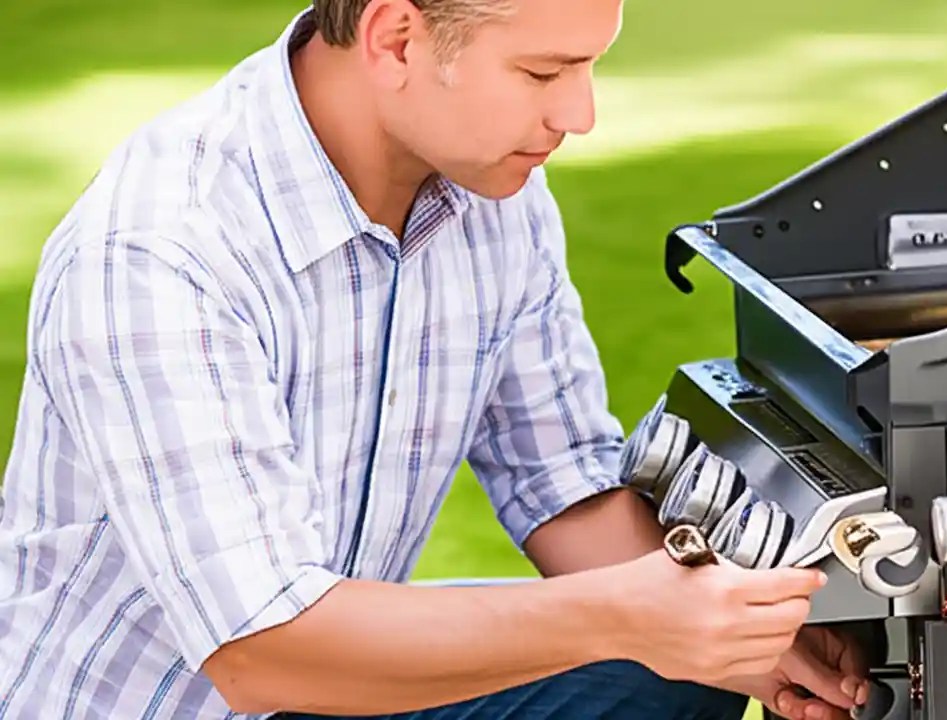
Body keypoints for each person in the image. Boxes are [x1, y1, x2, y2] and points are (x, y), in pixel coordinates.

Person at [0, 0, 872, 718]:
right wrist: (629, 614)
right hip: (186, 697)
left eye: (589, 66)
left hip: (317, 686)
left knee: (672, 674)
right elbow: (260, 648)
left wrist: (745, 643)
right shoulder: (164, 249)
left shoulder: (496, 197)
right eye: (543, 73)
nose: (580, 116)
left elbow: (561, 482)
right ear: (396, 39)